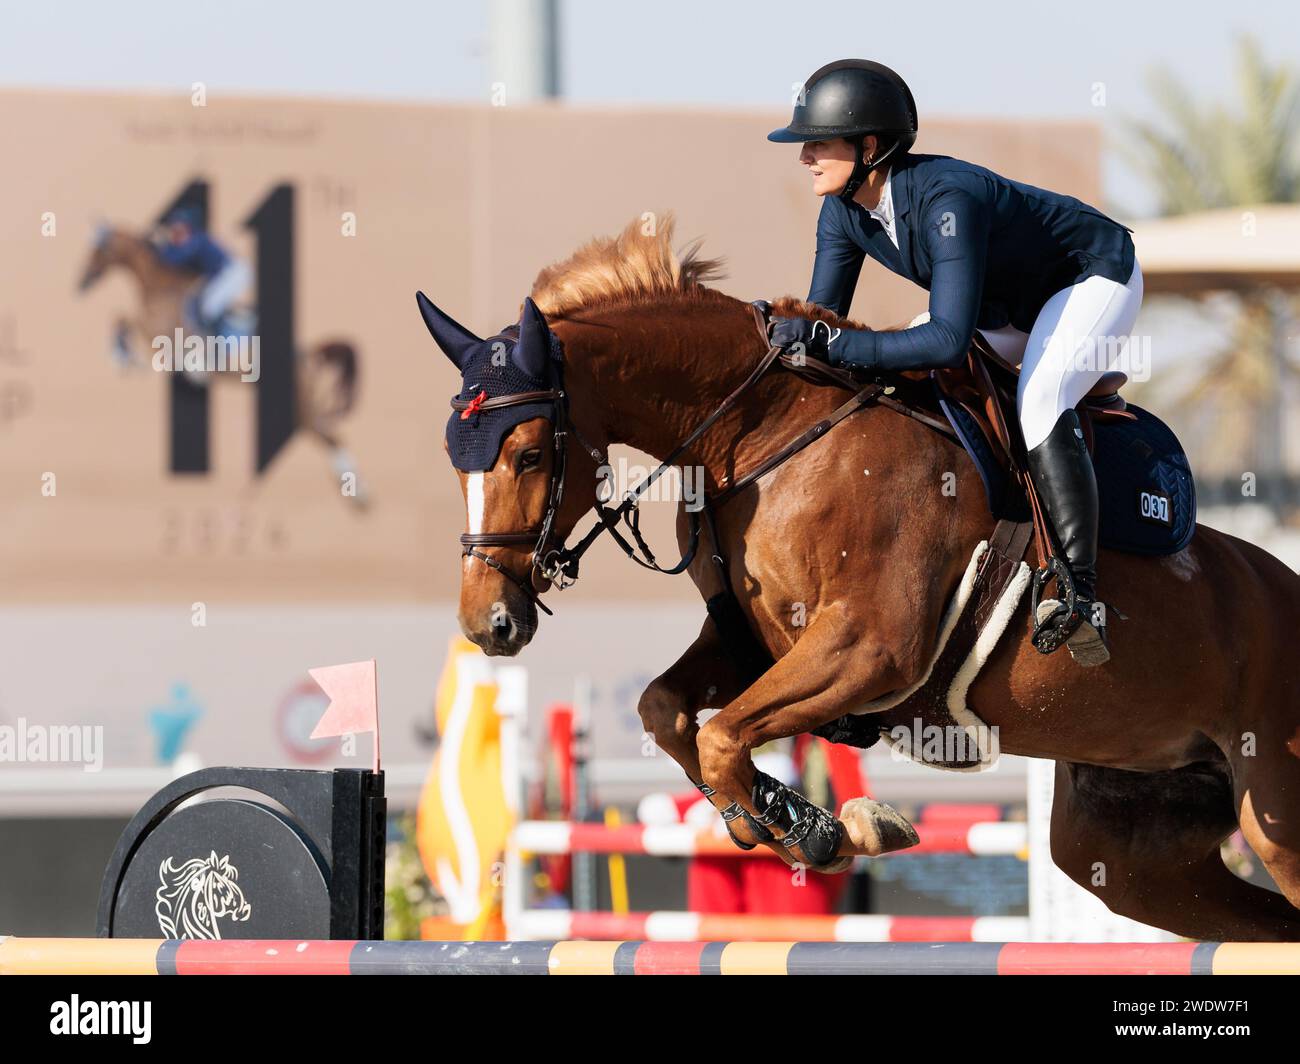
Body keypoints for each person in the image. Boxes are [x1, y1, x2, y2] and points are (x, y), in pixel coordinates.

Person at [768, 59, 1144, 667]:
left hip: (1090, 279)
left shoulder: (948, 197)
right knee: (904, 375)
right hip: (1006, 311)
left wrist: (828, 342)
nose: (804, 156)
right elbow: (825, 323)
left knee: (1042, 397)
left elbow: (945, 339)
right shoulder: (842, 209)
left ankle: (1077, 591)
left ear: (868, 147)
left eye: (817, 143)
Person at [155, 207, 251, 335]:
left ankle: (219, 342)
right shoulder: (192, 240)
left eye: (179, 229)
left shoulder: (196, 239)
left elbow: (173, 259)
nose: (175, 233)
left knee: (208, 307)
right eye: (174, 229)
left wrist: (158, 248)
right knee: (199, 305)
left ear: (188, 228)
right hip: (225, 273)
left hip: (233, 273)